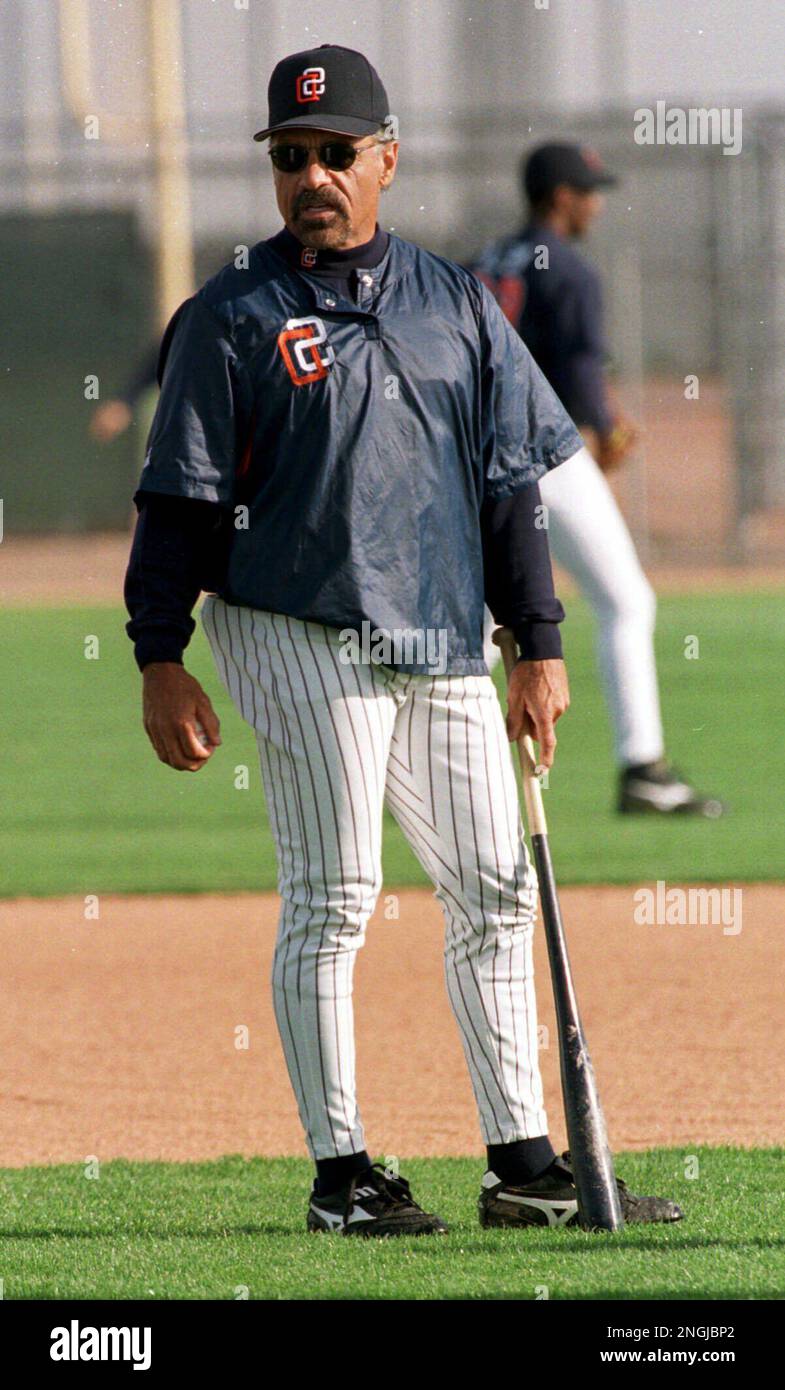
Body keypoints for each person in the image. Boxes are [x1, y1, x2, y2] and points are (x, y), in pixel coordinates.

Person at [125, 47, 681, 1236]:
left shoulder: (454, 302)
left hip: (442, 635)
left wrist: (536, 639)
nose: (311, 176)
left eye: (335, 154)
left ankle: (522, 1162)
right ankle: (344, 1177)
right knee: (334, 895)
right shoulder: (228, 314)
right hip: (293, 623)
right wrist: (156, 652)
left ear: (386, 159)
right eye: (289, 156)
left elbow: (508, 485)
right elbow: (177, 501)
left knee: (492, 887)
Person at [474, 142, 724, 817]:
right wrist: (606, 427)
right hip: (542, 454)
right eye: (587, 189)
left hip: (475, 459)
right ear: (560, 197)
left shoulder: (484, 262)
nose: (596, 201)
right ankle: (642, 769)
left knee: (485, 618)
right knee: (624, 601)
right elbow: (580, 370)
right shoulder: (571, 270)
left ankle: (408, 750)